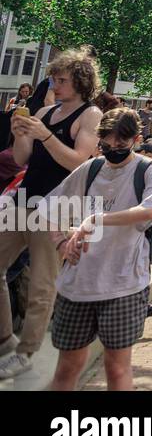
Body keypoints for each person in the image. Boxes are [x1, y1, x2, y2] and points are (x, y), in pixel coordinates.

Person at [0, 49, 104, 381]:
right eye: (54, 79)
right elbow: (22, 159)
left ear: (80, 82)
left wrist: (44, 135)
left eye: (61, 80)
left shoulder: (90, 115)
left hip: (58, 207)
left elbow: (78, 162)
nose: (54, 85)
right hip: (25, 198)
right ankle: (6, 340)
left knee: (43, 283)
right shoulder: (45, 111)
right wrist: (20, 135)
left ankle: (25, 352)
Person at [46, 107, 152, 390]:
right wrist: (61, 242)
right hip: (78, 284)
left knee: (117, 367)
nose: (113, 150)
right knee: (67, 367)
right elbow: (49, 207)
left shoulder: (149, 169)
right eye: (106, 145)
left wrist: (97, 219)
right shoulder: (91, 168)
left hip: (123, 284)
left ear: (136, 139)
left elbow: (149, 211)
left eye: (121, 145)